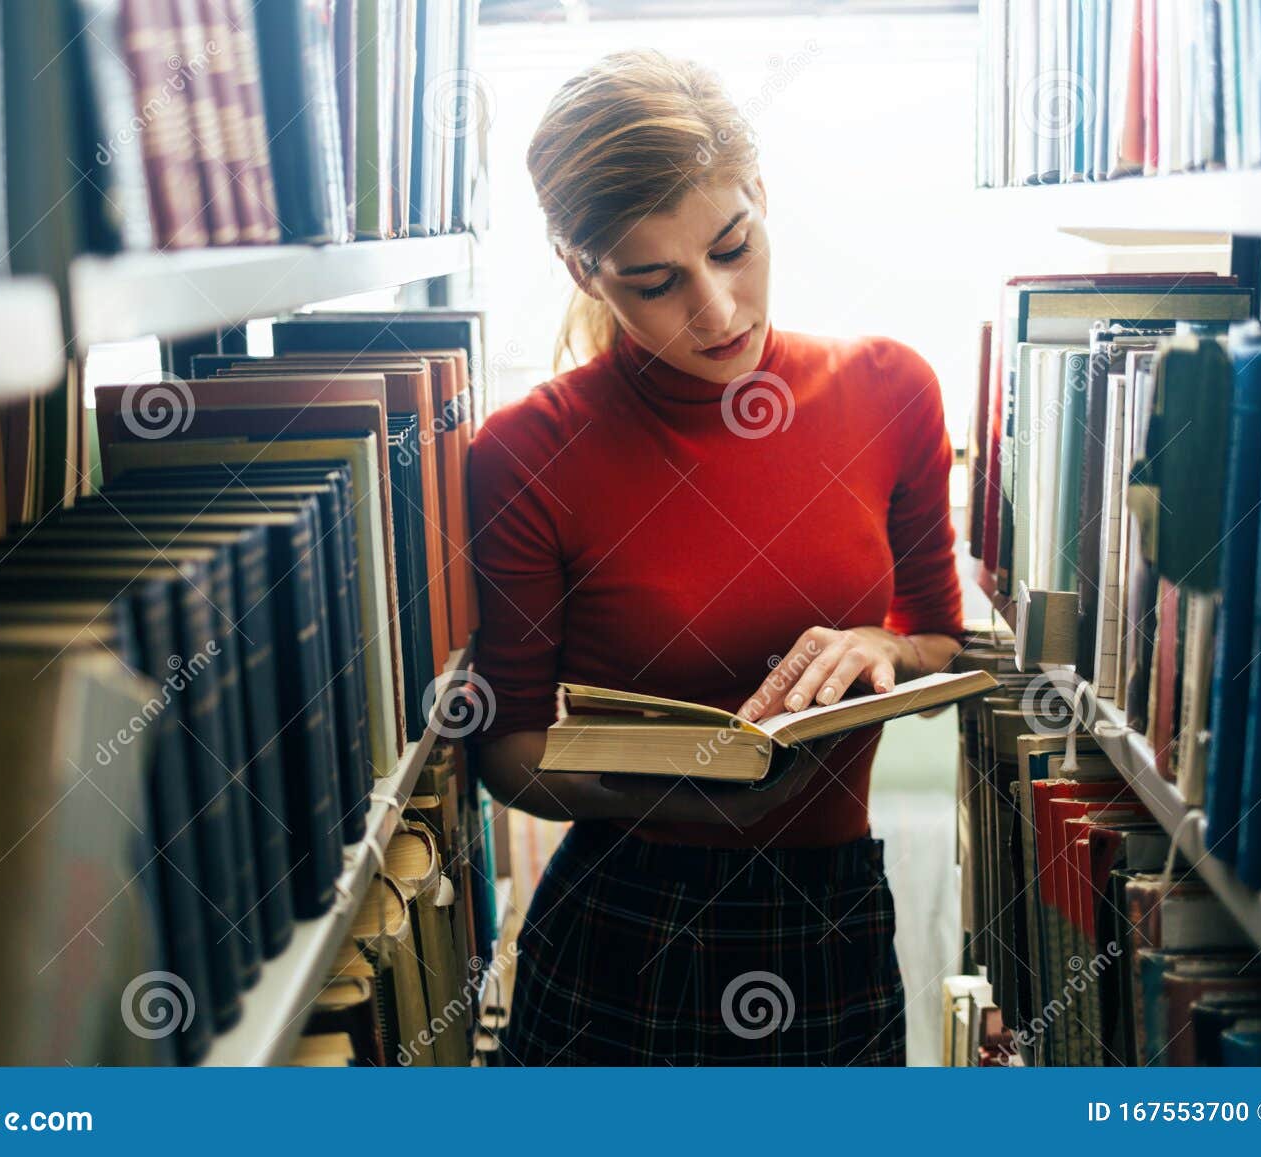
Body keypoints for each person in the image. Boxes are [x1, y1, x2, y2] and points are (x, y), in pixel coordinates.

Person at [465, 48, 964, 1066]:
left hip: (832, 917)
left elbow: (945, 642)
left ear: (762, 199)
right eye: (655, 282)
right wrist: (675, 793)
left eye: (733, 247)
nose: (717, 310)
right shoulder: (521, 454)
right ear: (582, 272)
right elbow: (507, 749)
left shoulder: (891, 389)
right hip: (623, 929)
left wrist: (882, 646)